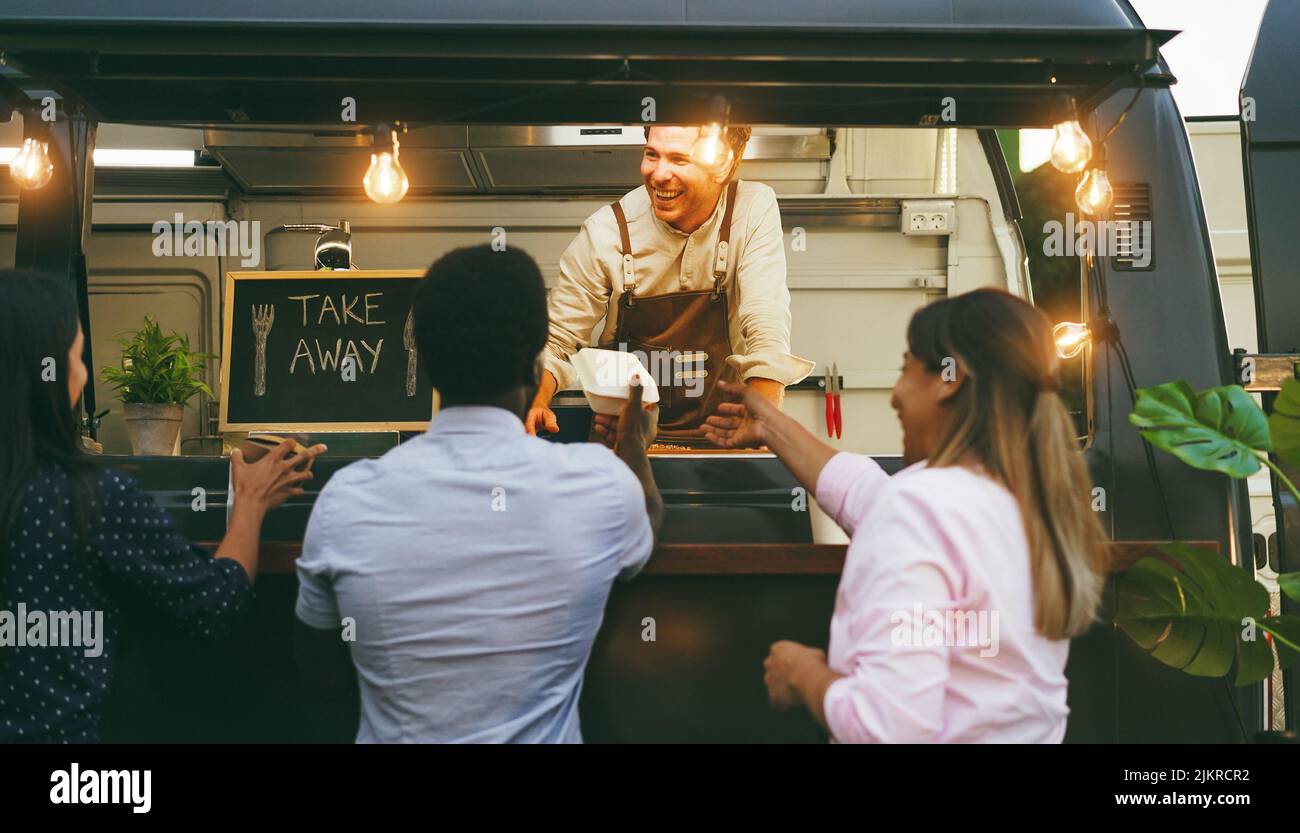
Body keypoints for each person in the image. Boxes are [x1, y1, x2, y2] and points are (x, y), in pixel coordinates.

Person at [293, 244, 662, 743]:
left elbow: (322, 679)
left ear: (425, 364)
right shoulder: (596, 484)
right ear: (535, 370)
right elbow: (648, 513)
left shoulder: (347, 498)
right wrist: (632, 442)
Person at [705, 288, 1107, 743]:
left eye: (906, 368)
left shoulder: (922, 507)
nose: (895, 395)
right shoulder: (1024, 502)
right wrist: (771, 426)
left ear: (949, 379)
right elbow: (870, 498)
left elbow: (887, 729)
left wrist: (804, 673)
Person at [0, 269, 324, 743]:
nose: (84, 372)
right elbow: (219, 603)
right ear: (50, 375)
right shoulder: (93, 499)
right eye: (76, 355)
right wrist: (251, 501)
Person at [527, 124, 813, 447]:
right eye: (652, 155)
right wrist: (536, 400)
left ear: (724, 166)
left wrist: (762, 417)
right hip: (626, 446)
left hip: (724, 443)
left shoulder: (750, 210)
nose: (659, 174)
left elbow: (766, 323)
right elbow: (558, 340)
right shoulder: (607, 231)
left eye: (679, 159)